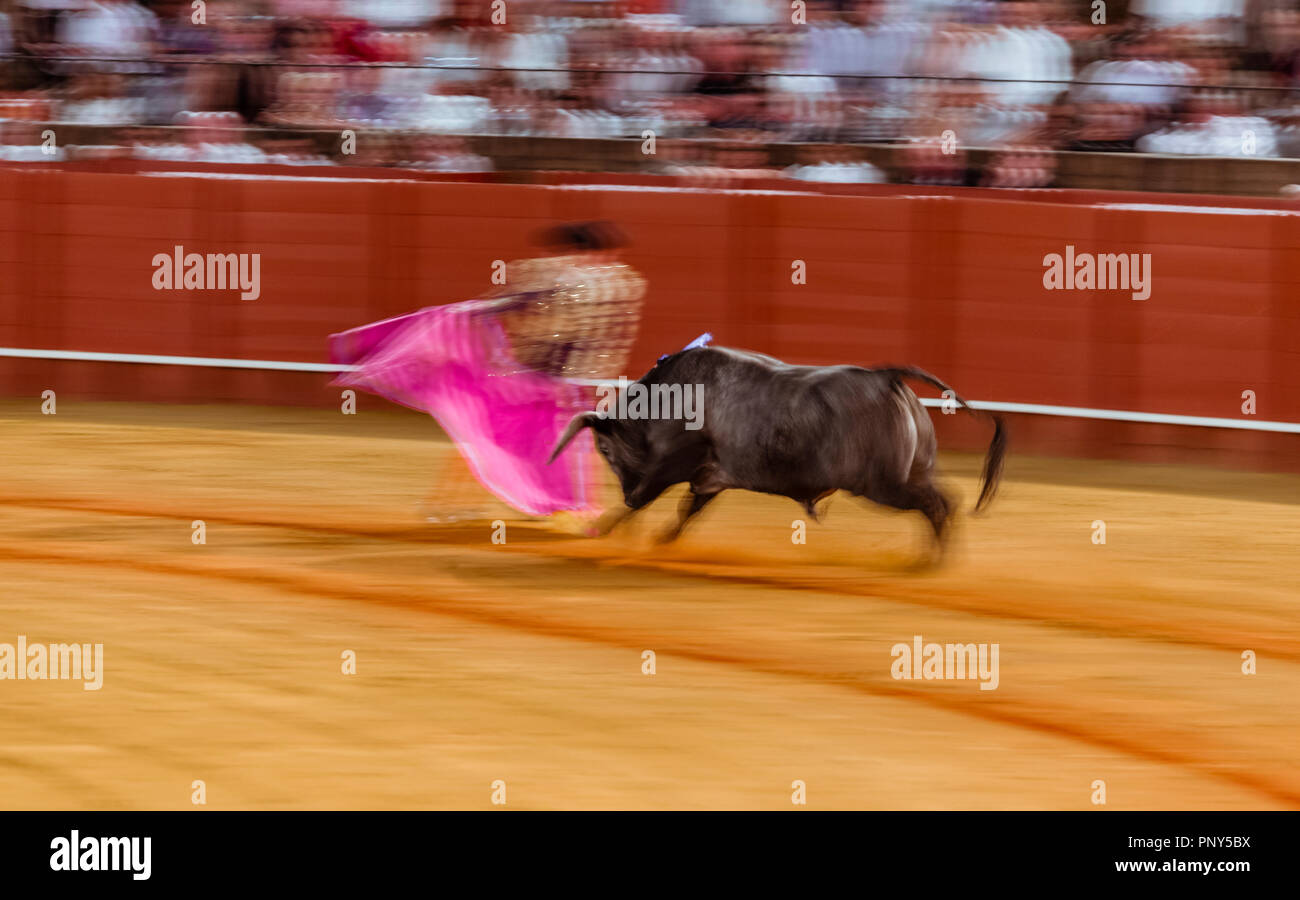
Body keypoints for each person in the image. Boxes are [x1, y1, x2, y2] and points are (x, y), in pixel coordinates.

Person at [329, 221, 645, 523]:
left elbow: (509, 305)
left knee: (485, 434)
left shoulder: (557, 276)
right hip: (568, 382)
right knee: (560, 446)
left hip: (527, 378)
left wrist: (462, 314)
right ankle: (568, 507)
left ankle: (455, 504)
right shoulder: (622, 282)